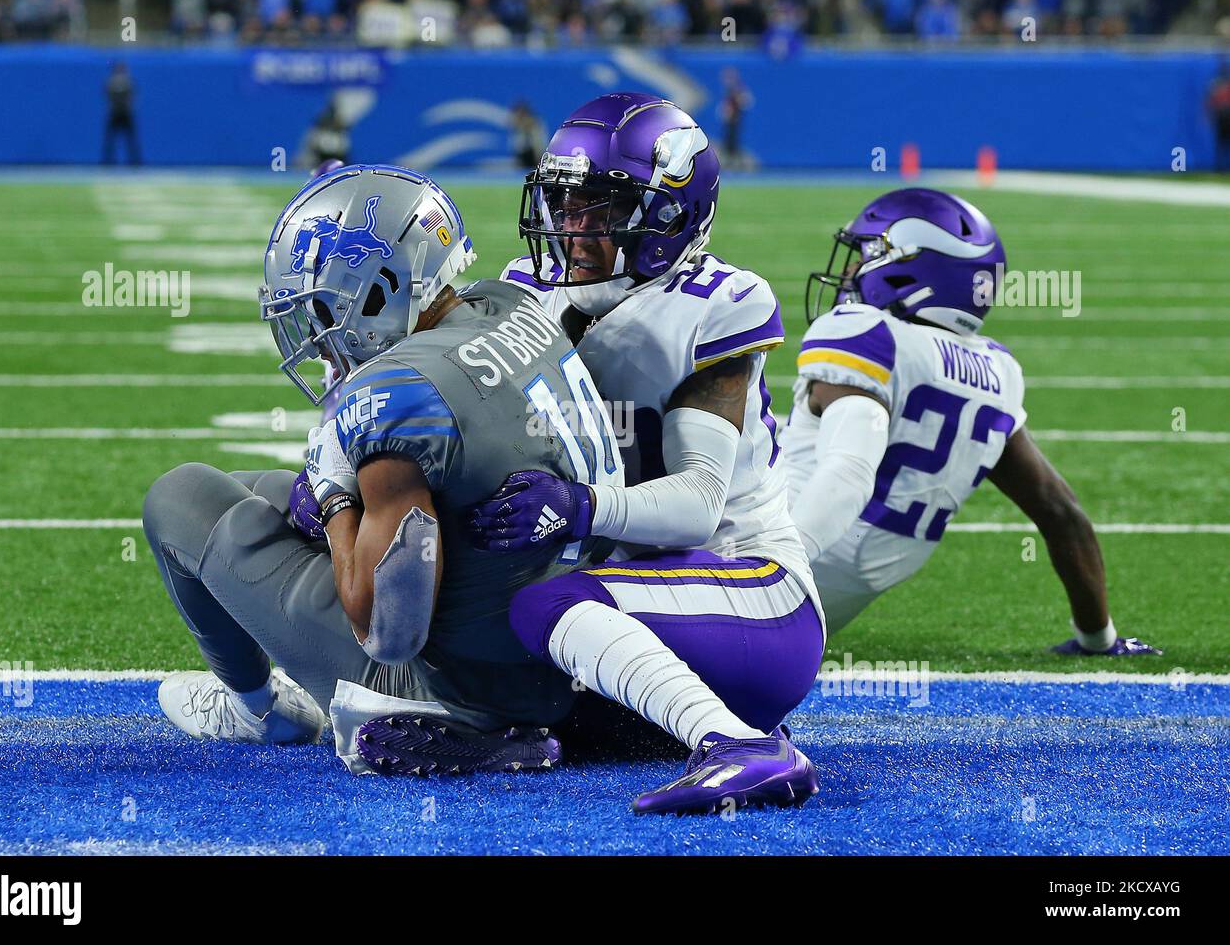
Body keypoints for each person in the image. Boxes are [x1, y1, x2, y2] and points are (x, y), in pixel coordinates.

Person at [145, 164, 625, 775]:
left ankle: (260, 711)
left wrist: (336, 500)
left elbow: (388, 630)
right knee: (246, 491)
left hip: (467, 680)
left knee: (178, 496)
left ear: (381, 289)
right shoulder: (511, 306)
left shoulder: (399, 392)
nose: (319, 338)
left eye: (323, 310)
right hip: (575, 635)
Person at [472, 93, 827, 814]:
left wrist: (577, 506)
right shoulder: (523, 291)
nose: (569, 229)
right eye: (562, 204)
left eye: (597, 208)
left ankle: (742, 746)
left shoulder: (717, 304)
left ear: (668, 215)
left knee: (550, 601)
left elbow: (698, 505)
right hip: (622, 608)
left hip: (753, 593)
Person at [781, 187, 1160, 656]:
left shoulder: (865, 333)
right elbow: (1062, 514)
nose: (850, 270)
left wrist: (774, 567)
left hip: (748, 575)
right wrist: (1100, 638)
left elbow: (847, 472)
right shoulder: (996, 375)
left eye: (868, 254)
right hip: (805, 628)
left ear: (909, 267)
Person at [102, 61, 141, 166]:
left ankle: (135, 162)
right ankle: (108, 162)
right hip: (115, 113)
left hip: (125, 113)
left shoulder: (128, 82)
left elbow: (132, 96)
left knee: (131, 139)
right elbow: (108, 95)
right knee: (111, 139)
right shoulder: (111, 82)